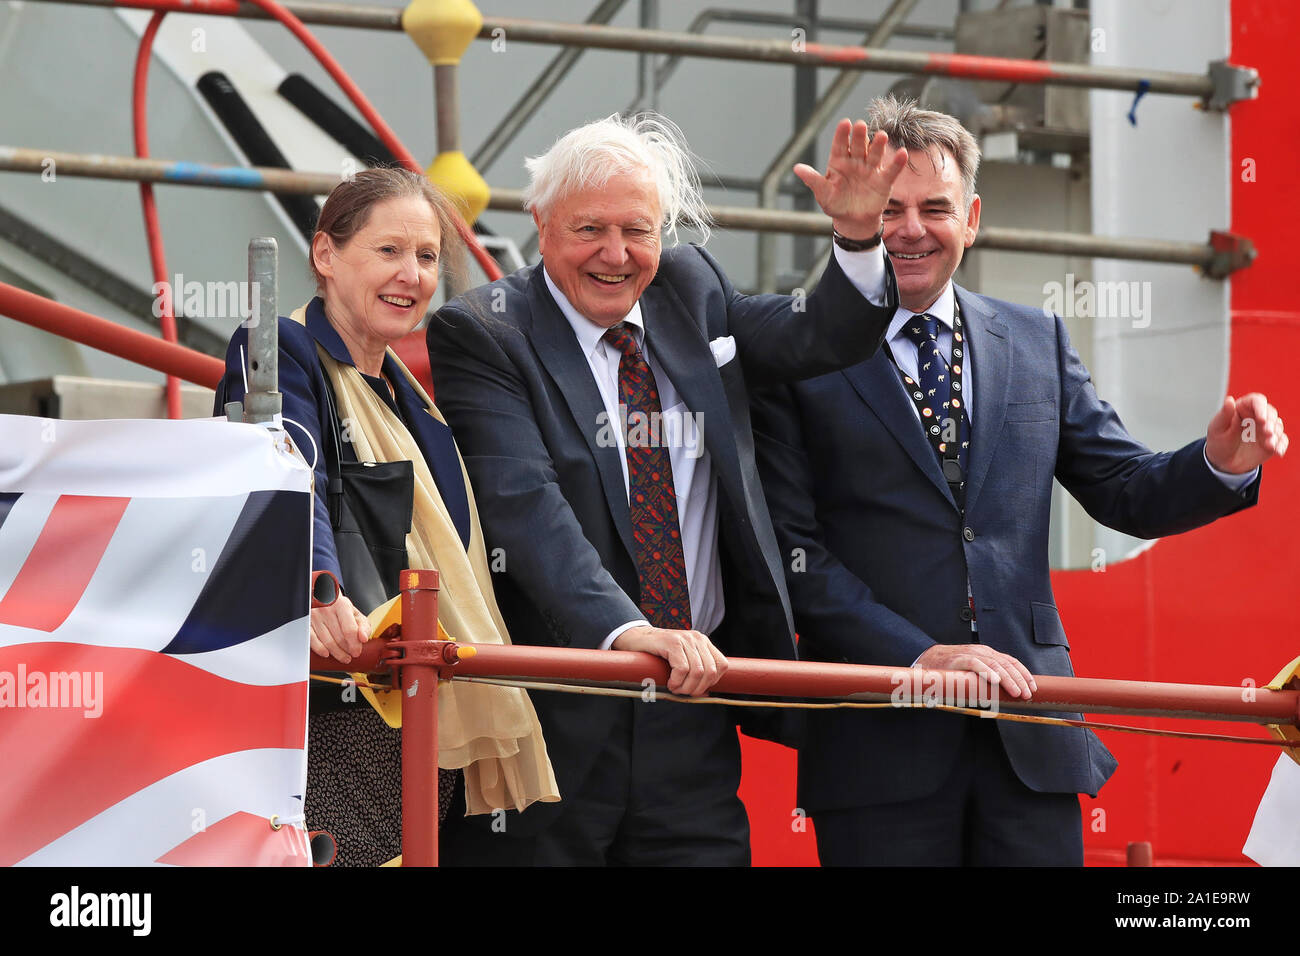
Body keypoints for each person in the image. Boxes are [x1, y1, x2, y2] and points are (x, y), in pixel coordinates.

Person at [749, 96, 1289, 866]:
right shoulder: (795, 350)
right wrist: (921, 657)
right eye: (889, 208)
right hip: (879, 742)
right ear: (859, 214)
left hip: (1030, 740)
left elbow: (1124, 490)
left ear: (970, 218)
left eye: (934, 208)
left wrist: (1217, 466)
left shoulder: (1035, 339)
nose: (910, 229)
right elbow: (795, 557)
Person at [425, 112, 905, 865]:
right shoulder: (485, 331)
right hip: (552, 713)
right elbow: (527, 504)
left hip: (693, 711)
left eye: (637, 230)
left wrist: (855, 240)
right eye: (590, 230)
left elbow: (815, 336)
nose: (616, 255)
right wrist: (627, 633)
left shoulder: (691, 286)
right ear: (541, 223)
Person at [214, 168, 557, 867]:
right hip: (334, 714)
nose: (413, 275)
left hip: (424, 715)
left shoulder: (413, 400)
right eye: (389, 251)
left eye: (428, 257)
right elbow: (280, 471)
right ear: (324, 255)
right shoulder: (275, 347)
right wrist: (319, 585)